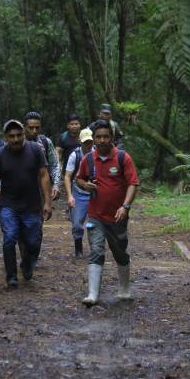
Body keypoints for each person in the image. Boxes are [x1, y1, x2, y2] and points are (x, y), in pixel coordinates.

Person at [75, 119, 140, 305]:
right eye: (98, 137)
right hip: (95, 216)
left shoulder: (122, 158)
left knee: (119, 251)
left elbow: (133, 183)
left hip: (117, 217)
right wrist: (85, 184)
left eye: (106, 136)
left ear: (111, 137)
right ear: (93, 139)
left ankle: (125, 289)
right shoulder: (88, 159)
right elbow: (79, 179)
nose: (102, 140)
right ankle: (93, 295)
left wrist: (125, 207)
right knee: (96, 250)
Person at [0, 120, 53, 287]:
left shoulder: (35, 150)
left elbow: (44, 175)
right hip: (8, 205)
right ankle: (11, 276)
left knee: (32, 241)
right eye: (11, 136)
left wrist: (47, 202)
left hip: (32, 205)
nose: (16, 139)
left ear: (24, 134)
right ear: (6, 137)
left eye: (19, 135)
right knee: (9, 239)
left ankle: (27, 263)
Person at [64, 128, 94, 259]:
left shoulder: (97, 154)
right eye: (85, 142)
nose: (88, 145)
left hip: (94, 193)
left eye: (90, 142)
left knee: (96, 224)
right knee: (77, 224)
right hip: (79, 192)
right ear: (80, 142)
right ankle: (78, 248)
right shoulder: (74, 155)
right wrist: (70, 196)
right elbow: (67, 176)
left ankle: (95, 249)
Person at [24, 111, 61, 200]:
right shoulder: (16, 142)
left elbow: (54, 165)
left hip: (42, 188)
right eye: (31, 128)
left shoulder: (46, 142)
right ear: (24, 127)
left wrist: (56, 185)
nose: (34, 131)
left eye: (37, 128)